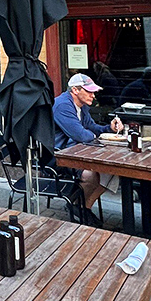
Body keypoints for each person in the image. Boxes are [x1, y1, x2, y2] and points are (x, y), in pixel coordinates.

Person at [53, 73, 124, 227]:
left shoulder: (82, 106)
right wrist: (96, 135)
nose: (93, 95)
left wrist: (109, 129)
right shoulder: (62, 105)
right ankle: (78, 206)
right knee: (91, 175)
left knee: (111, 171)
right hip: (58, 155)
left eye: (93, 91)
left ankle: (83, 207)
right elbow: (81, 135)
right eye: (89, 91)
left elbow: (91, 128)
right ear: (75, 90)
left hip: (77, 152)